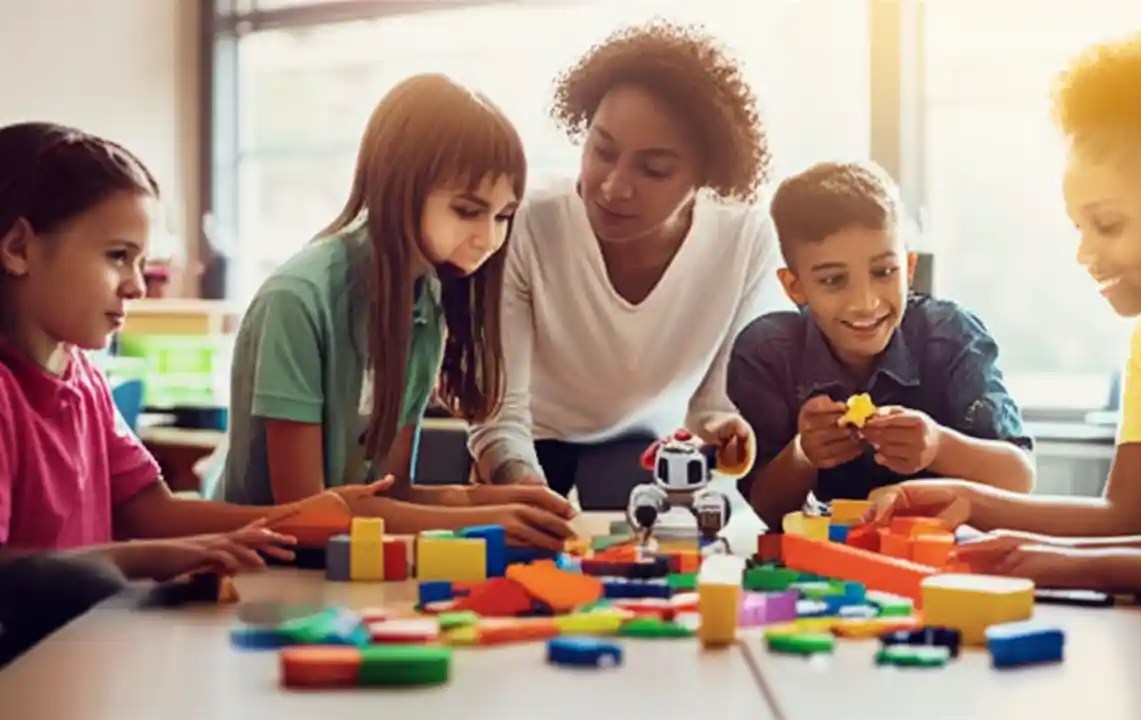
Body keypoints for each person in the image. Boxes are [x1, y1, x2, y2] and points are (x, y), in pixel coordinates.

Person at [863, 38, 1141, 613]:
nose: (1085, 254)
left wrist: (1076, 562)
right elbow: (1129, 515)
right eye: (1079, 228)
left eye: (1108, 225)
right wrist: (971, 502)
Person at [215, 75, 575, 549]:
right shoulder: (298, 298)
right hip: (261, 565)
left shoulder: (425, 302)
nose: (489, 238)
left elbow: (388, 493)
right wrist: (483, 517)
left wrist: (492, 500)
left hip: (348, 563)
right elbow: (306, 514)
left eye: (504, 216)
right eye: (467, 210)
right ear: (401, 186)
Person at [0, 122, 300, 665]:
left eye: (141, 263)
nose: (138, 285)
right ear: (19, 248)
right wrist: (144, 559)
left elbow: (148, 508)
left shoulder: (84, 377)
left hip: (81, 656)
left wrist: (292, 520)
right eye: (118, 256)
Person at [468, 20, 792, 508]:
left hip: (643, 443)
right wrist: (522, 486)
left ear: (706, 175)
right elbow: (498, 415)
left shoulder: (745, 237)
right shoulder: (526, 222)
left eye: (654, 170)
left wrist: (726, 430)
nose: (614, 187)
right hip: (527, 436)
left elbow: (710, 408)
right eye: (602, 150)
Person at [727, 161, 1034, 528]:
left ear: (909, 267)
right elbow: (767, 508)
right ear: (795, 287)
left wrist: (939, 446)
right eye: (833, 280)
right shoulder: (767, 352)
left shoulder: (951, 336)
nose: (866, 303)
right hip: (827, 553)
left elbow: (1019, 478)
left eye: (884, 272)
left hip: (940, 546)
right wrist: (802, 454)